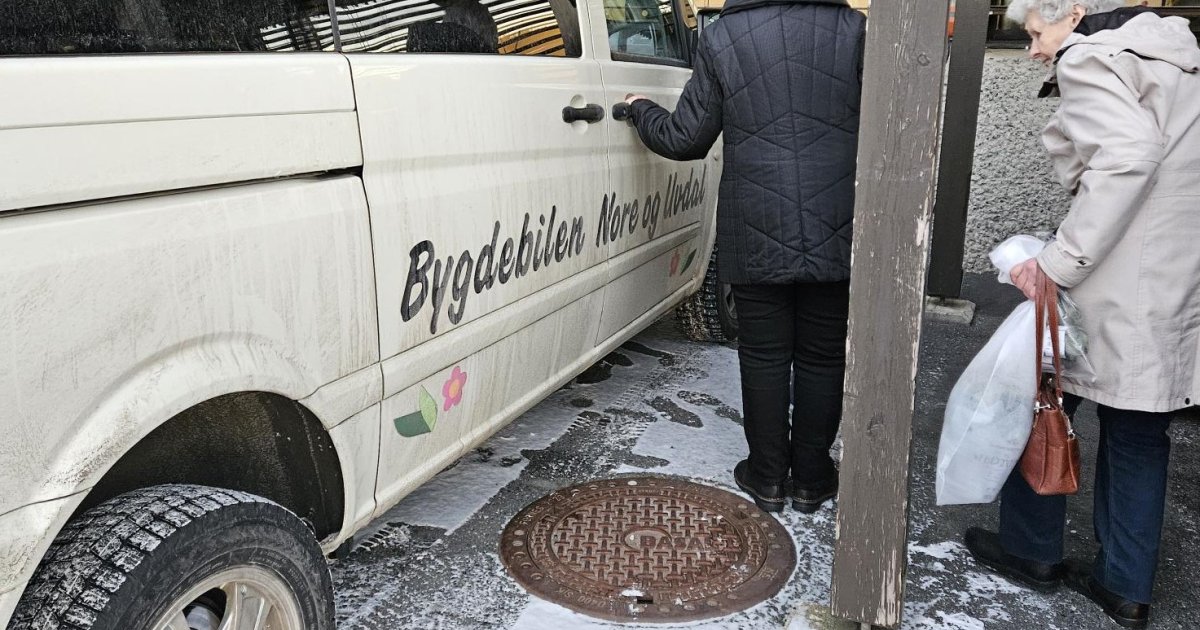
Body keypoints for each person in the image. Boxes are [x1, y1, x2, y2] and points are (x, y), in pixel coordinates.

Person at [963, 2, 1200, 628]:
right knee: (1140, 432)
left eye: (1038, 34)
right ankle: (1126, 588)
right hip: (1172, 275)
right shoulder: (1182, 59)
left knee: (1037, 398)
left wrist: (1057, 262)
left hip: (1112, 279)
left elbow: (1126, 158)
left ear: (1073, 14)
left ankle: (1030, 549)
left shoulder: (1092, 57)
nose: (1035, 50)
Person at [622, 0, 865, 514]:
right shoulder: (855, 29)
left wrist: (641, 109)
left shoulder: (725, 35)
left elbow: (686, 139)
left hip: (756, 222)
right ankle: (814, 479)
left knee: (764, 355)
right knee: (823, 356)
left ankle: (768, 477)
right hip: (840, 218)